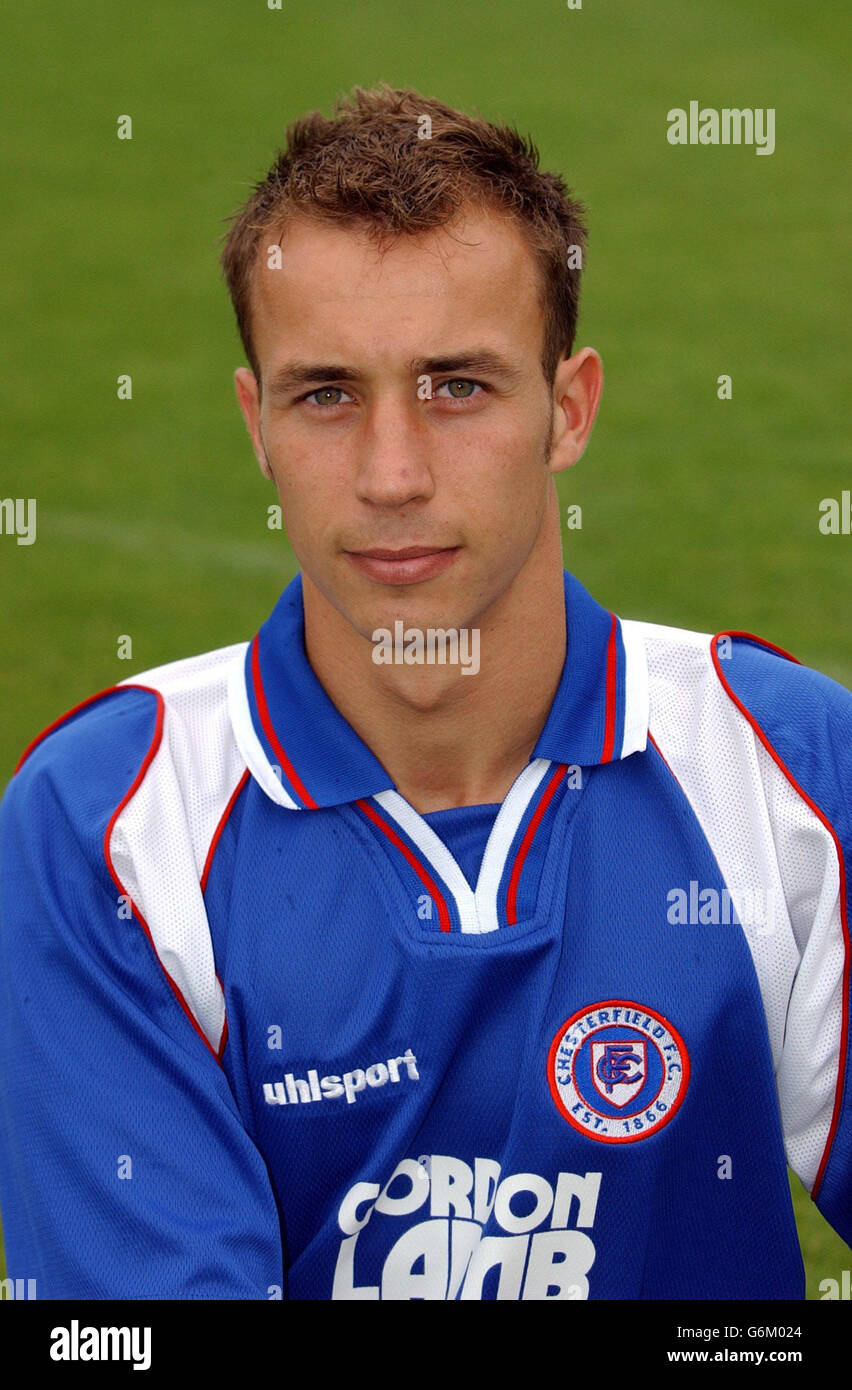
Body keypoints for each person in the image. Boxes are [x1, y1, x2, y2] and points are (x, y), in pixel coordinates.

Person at [0, 84, 849, 1301]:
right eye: (326, 394)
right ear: (257, 424)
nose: (391, 474)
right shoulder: (108, 831)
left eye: (458, 386)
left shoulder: (789, 768)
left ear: (570, 407)